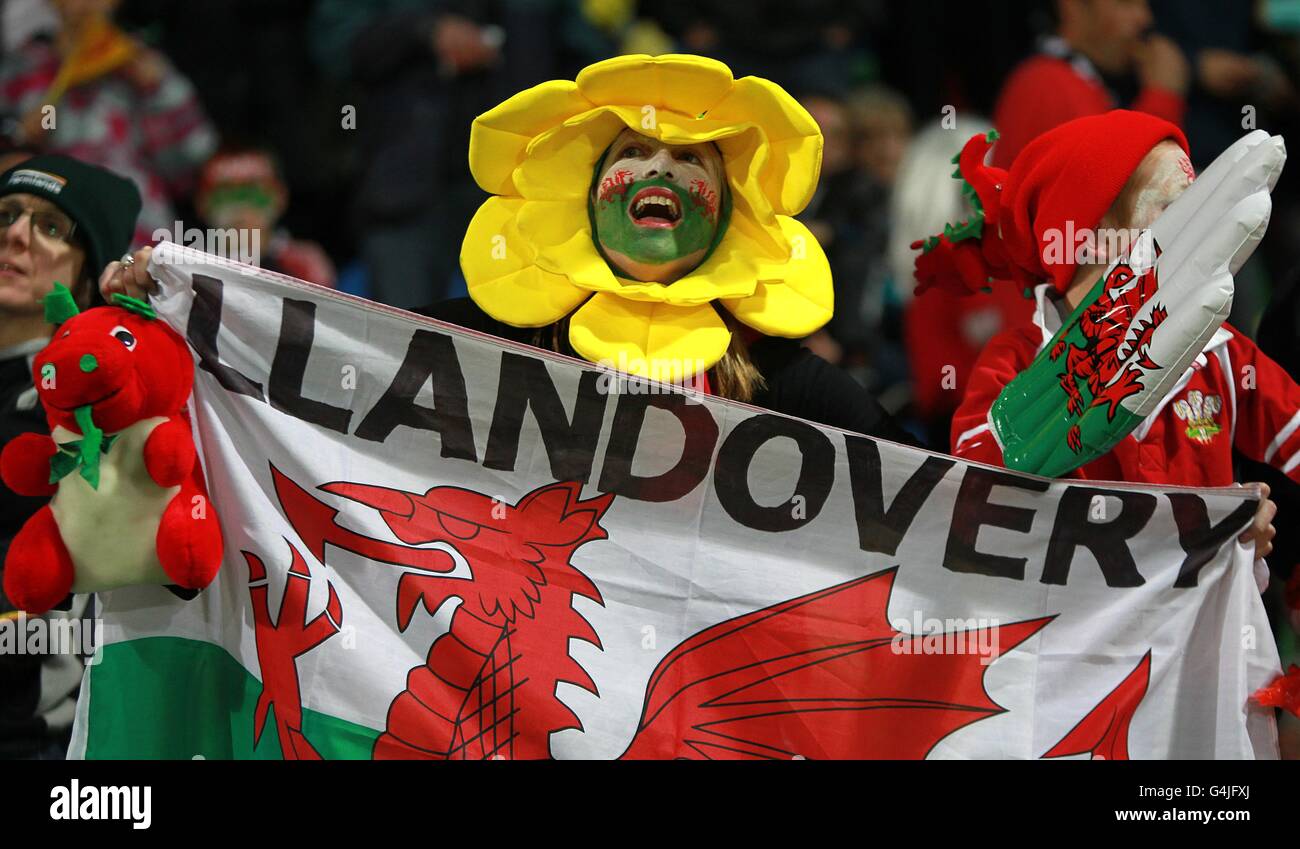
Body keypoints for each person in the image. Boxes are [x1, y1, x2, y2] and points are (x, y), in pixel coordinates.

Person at [428, 54, 917, 444]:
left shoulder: (776, 376)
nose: (659, 168)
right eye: (633, 152)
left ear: (726, 215)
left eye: (689, 158)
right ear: (590, 198)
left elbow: (927, 488)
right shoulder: (488, 337)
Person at [919, 110, 1286, 572]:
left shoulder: (1223, 350)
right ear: (1091, 237)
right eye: (1176, 212)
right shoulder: (1014, 362)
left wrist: (1247, 515)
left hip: (1196, 639)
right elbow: (964, 510)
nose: (1200, 231)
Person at [0, 153, 141, 758]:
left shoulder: (83, 405)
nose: (14, 234)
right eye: (6, 214)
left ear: (87, 277)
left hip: (32, 739)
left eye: (51, 227)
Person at [0, 0, 217, 246]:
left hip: (139, 229)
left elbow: (192, 162)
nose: (87, 5)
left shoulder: (139, 59)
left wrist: (156, 91)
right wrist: (24, 136)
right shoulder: (27, 64)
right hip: (52, 228)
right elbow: (15, 143)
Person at [990, 0, 1189, 169]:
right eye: (1125, 3)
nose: (1144, 18)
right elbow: (1117, 189)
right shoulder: (1049, 84)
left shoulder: (1078, 75)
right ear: (1073, 6)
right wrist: (1162, 98)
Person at [193, 148, 336, 287]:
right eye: (226, 194)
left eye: (253, 192)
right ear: (201, 203)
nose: (241, 206)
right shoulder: (188, 265)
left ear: (280, 196)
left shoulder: (305, 264)